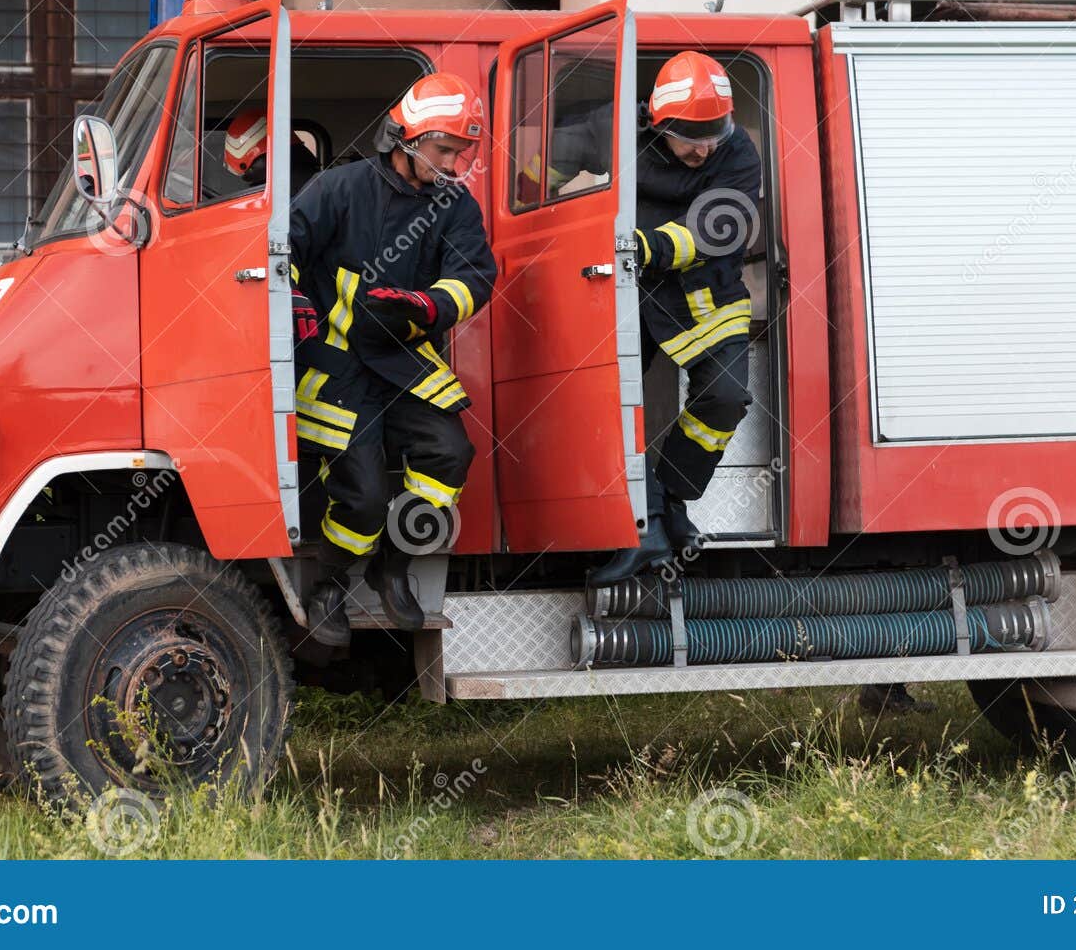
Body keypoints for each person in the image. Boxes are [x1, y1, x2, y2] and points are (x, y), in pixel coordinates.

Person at [288, 73, 497, 645]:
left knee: (450, 453)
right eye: (444, 150)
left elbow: (474, 277)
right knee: (363, 497)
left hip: (404, 359)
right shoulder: (340, 187)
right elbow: (282, 249)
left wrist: (428, 306)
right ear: (405, 138)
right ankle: (328, 584)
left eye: (462, 153)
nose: (453, 165)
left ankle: (392, 567)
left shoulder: (455, 205)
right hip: (335, 365)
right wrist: (294, 300)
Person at [545, 51, 762, 587]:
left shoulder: (738, 151)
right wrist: (546, 213)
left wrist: (644, 247)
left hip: (705, 297)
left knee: (725, 399)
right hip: (625, 293)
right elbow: (539, 170)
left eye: (714, 134)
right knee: (609, 409)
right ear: (658, 124)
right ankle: (642, 530)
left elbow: (715, 227)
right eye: (691, 138)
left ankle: (671, 498)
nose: (704, 149)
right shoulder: (613, 128)